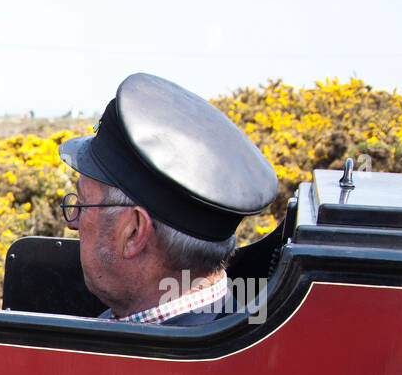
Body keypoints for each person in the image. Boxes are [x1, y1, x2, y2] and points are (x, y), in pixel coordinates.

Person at [58, 73, 278, 325]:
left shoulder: (142, 360)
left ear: (133, 232)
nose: (72, 222)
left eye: (83, 203)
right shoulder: (229, 320)